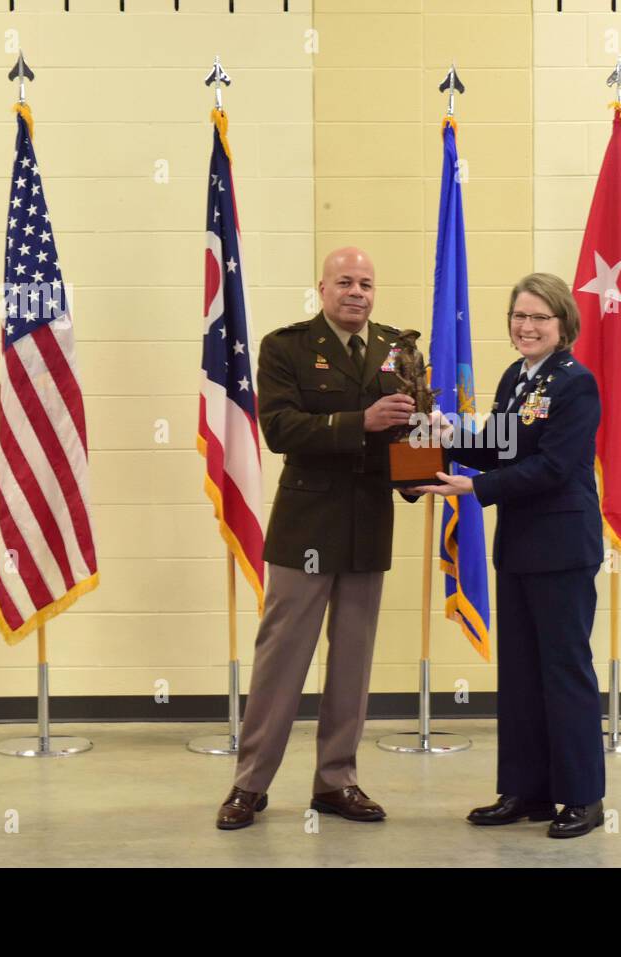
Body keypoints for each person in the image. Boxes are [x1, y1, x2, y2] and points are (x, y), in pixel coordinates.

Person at [216, 247, 417, 830]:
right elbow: (279, 429)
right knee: (282, 661)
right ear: (322, 288)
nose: (357, 292)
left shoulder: (398, 349)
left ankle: (337, 781)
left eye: (367, 283)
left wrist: (426, 466)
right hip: (307, 525)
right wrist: (361, 423)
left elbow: (407, 428)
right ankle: (249, 785)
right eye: (345, 282)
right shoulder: (288, 347)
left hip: (367, 525)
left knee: (352, 663)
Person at [412, 272, 606, 839]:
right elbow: (502, 446)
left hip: (563, 548)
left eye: (539, 317)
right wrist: (444, 434)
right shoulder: (516, 378)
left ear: (562, 324)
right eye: (519, 316)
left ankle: (582, 799)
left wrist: (475, 490)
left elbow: (552, 467)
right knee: (521, 675)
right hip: (520, 547)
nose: (526, 326)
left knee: (564, 671)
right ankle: (525, 791)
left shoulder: (576, 384)